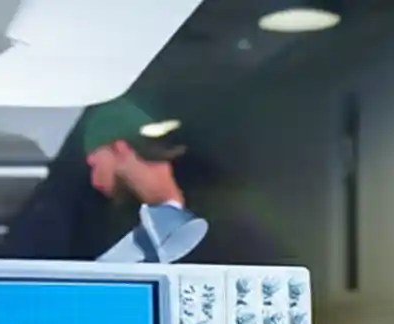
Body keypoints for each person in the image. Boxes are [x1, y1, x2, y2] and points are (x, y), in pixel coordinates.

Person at [79, 98, 289, 266]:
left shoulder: (232, 221)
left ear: (119, 148)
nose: (94, 179)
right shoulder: (105, 229)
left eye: (94, 165)